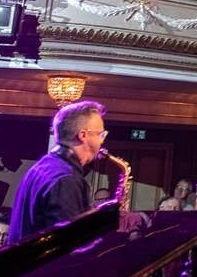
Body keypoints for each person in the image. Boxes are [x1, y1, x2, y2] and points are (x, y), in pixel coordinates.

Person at [9, 99, 150, 242]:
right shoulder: (65, 178)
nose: (102, 141)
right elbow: (68, 245)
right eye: (101, 134)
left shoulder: (42, 167)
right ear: (83, 135)